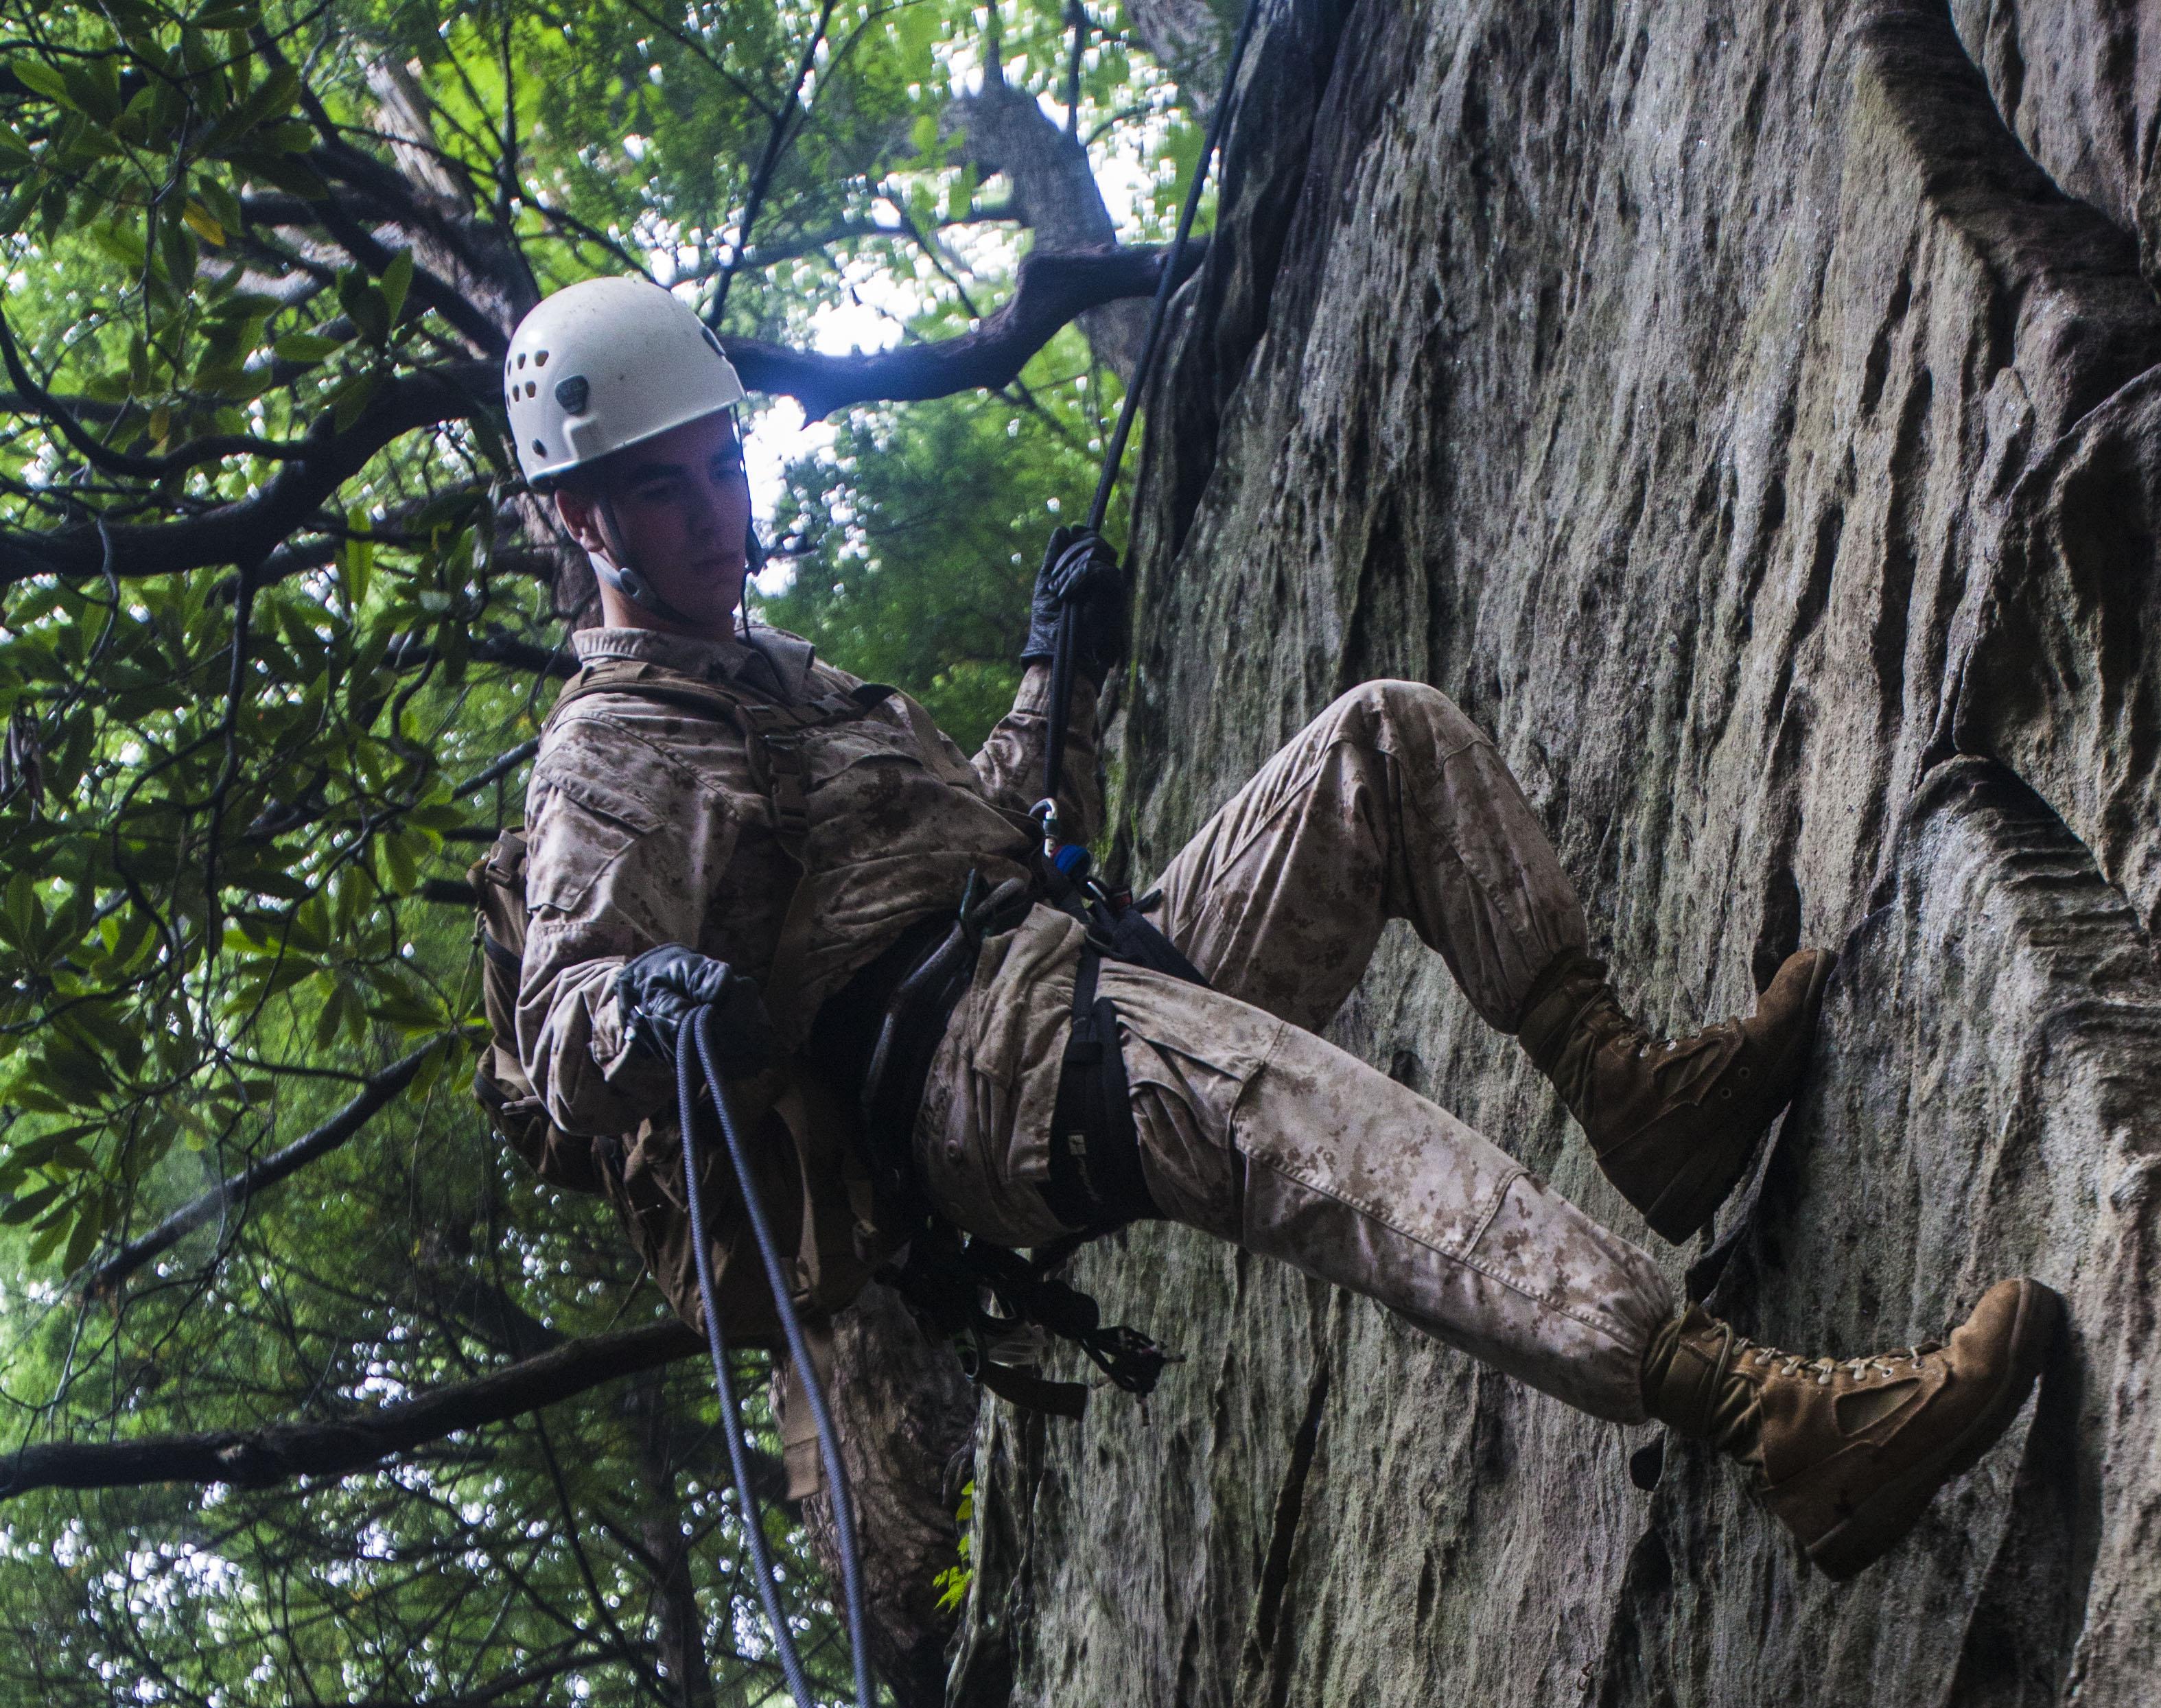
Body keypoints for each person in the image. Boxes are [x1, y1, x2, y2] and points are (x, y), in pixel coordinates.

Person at [504, 280, 2060, 1584]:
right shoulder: (613, 747)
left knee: (1381, 745)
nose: (720, 509)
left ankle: (1640, 1101)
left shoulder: (780, 671)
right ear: (585, 518)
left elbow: (975, 844)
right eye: (668, 486)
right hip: (976, 1085)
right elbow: (566, 1023)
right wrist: (653, 1001)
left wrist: (1062, 680)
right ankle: (1785, 1425)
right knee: (1291, 1108)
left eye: (721, 464)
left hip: (1071, 965)